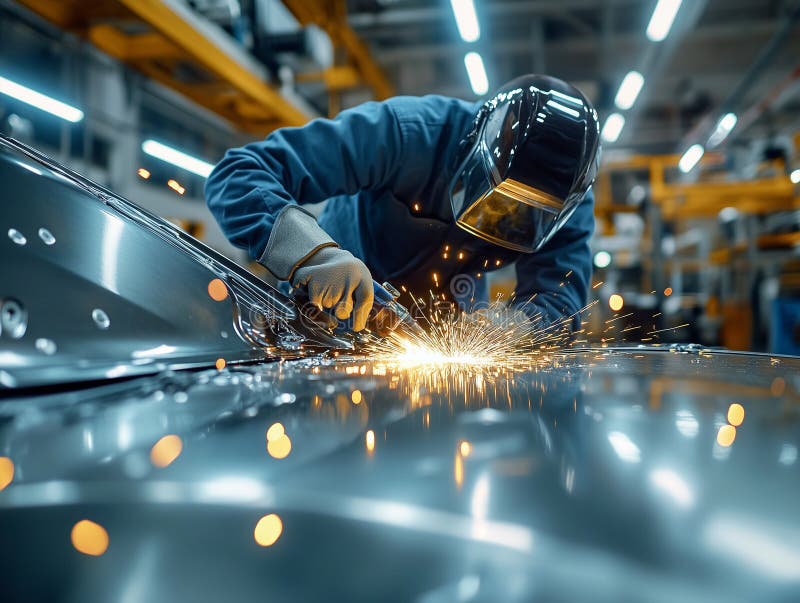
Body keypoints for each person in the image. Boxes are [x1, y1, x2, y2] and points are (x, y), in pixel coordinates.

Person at [205, 74, 600, 332]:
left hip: (448, 338)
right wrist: (312, 255)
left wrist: (515, 329)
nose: (503, 220)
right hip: (331, 311)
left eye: (525, 216)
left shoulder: (568, 204)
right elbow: (239, 172)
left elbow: (557, 300)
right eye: (499, 201)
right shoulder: (405, 133)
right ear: (474, 151)